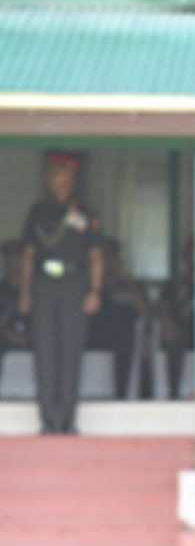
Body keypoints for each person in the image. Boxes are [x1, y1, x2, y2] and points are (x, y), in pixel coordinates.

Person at [18, 151, 103, 434]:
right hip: (44, 285)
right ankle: (47, 418)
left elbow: (95, 256)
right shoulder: (38, 212)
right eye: (51, 172)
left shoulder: (85, 213)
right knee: (45, 350)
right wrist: (25, 292)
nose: (54, 178)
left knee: (70, 350)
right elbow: (29, 254)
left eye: (60, 172)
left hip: (73, 285)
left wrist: (95, 291)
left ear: (72, 176)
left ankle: (67, 418)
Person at [87, 237, 149, 399]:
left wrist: (126, 278)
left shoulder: (129, 284)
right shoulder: (89, 282)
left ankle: (122, 394)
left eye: (112, 255)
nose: (108, 260)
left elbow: (143, 309)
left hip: (121, 336)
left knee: (124, 327)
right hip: (93, 331)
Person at [157, 238, 195, 400]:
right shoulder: (175, 283)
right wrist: (168, 325)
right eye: (190, 253)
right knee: (174, 340)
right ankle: (174, 393)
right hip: (178, 331)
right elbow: (161, 306)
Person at [0, 240, 31, 367]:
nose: (13, 262)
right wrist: (12, 337)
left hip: (35, 344)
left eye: (18, 257)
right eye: (9, 257)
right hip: (5, 342)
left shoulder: (38, 290)